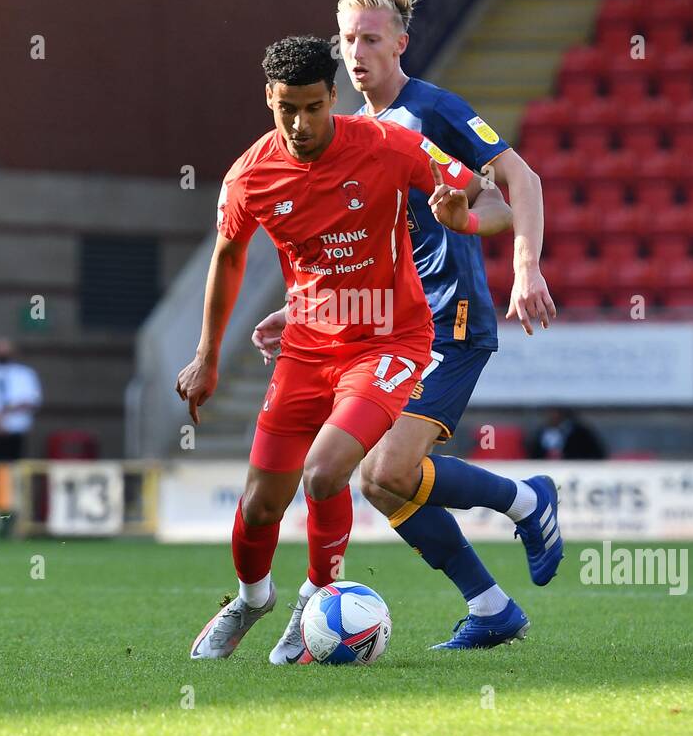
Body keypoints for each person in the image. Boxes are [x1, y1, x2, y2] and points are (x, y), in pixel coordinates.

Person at [251, 0, 562, 656]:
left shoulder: (433, 110)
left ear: (400, 43)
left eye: (370, 38)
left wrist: (527, 264)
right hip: (386, 322)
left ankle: (526, 503)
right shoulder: (353, 137)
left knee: (386, 471)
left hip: (449, 317)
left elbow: (521, 179)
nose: (356, 53)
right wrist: (302, 307)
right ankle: (491, 606)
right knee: (376, 479)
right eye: (347, 40)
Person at [177, 35, 486, 661]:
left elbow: (474, 189)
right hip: (306, 350)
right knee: (260, 504)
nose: (299, 122)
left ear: (333, 99)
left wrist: (471, 213)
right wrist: (208, 356)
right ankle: (251, 600)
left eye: (313, 107)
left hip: (390, 341)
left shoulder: (387, 143)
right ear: (269, 99)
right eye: (286, 107)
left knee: (323, 475)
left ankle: (315, 604)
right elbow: (228, 257)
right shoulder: (250, 175)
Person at [529, 408, 608, 461]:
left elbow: (595, 453)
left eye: (556, 413)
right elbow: (534, 453)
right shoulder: (542, 431)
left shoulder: (580, 432)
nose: (553, 416)